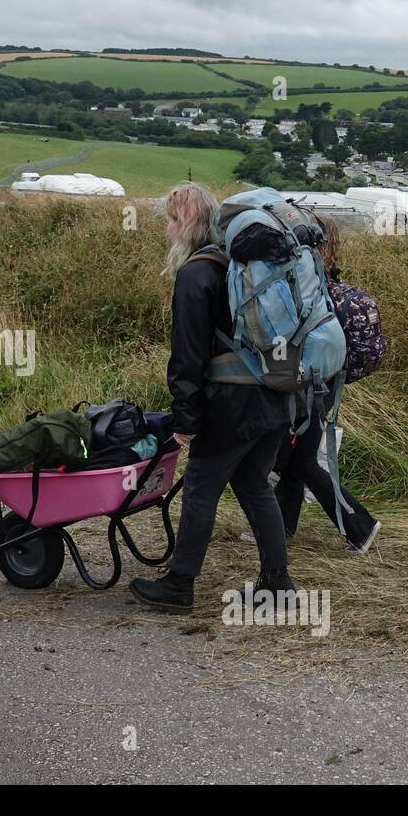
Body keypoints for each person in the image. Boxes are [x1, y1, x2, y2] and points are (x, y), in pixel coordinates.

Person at [129, 183, 297, 612]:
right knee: (254, 484)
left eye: (170, 221)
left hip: (231, 406)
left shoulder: (195, 275)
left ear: (185, 226)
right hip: (275, 394)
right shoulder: (237, 265)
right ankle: (277, 582)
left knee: (201, 490)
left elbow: (187, 356)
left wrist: (185, 420)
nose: (166, 230)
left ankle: (179, 584)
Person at [260, 215, 382, 553]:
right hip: (325, 382)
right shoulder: (323, 283)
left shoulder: (306, 287)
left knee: (295, 460)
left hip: (309, 386)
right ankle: (282, 525)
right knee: (295, 455)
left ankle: (361, 526)